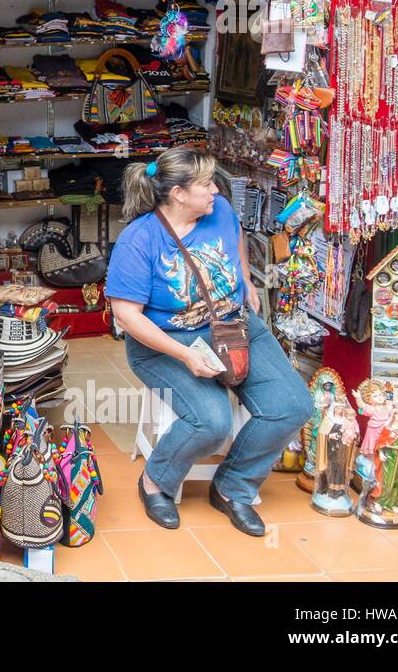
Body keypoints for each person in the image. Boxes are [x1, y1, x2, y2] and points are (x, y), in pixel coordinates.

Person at [105, 147, 312, 536]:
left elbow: (235, 240)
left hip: (231, 327)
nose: (215, 189)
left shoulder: (218, 212)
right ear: (179, 194)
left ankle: (234, 486)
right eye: (206, 184)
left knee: (293, 405)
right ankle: (155, 481)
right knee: (212, 422)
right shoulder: (139, 240)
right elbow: (126, 316)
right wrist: (184, 356)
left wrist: (247, 281)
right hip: (165, 342)